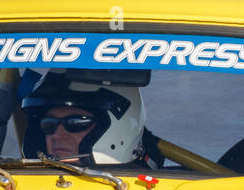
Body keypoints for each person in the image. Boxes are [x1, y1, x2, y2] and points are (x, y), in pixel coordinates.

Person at [21, 71, 159, 169]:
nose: (57, 135)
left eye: (75, 123)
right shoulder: (14, 185)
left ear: (118, 130)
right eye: (48, 124)